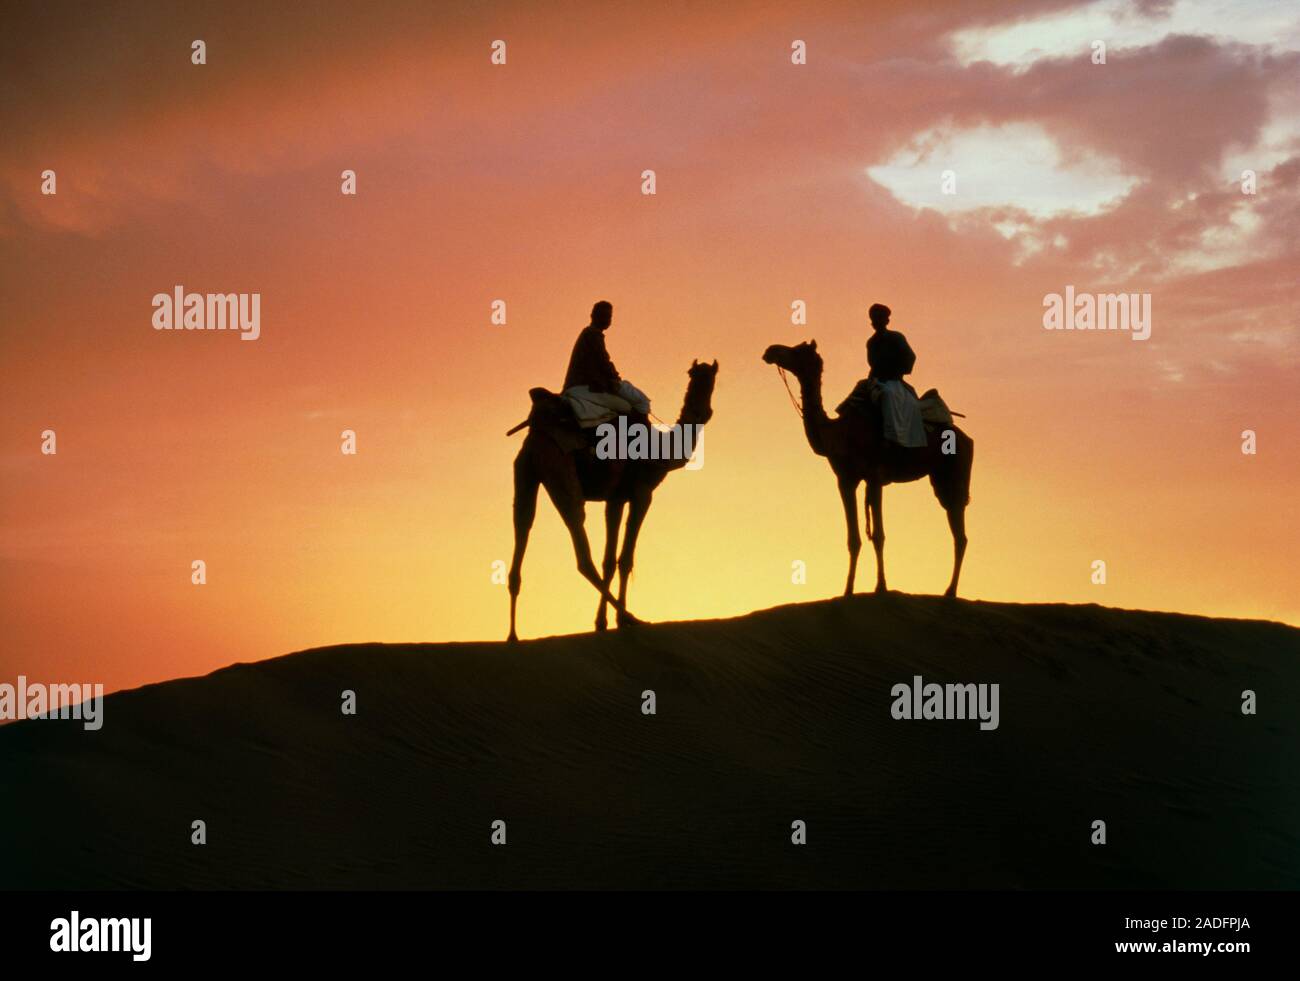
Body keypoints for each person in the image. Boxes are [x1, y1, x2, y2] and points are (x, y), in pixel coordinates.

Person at [561, 301, 651, 427]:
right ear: (593, 316)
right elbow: (603, 363)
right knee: (641, 401)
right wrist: (613, 379)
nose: (606, 320)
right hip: (583, 388)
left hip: (584, 386)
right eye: (603, 315)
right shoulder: (592, 335)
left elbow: (601, 363)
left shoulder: (590, 335)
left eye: (608, 316)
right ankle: (642, 438)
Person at [865, 303, 926, 448]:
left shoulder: (896, 338)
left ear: (886, 321)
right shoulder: (871, 343)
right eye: (874, 319)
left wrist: (895, 371)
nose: (876, 322)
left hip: (893, 381)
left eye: (880, 318)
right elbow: (872, 363)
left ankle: (891, 437)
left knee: (888, 394)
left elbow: (910, 357)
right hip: (876, 380)